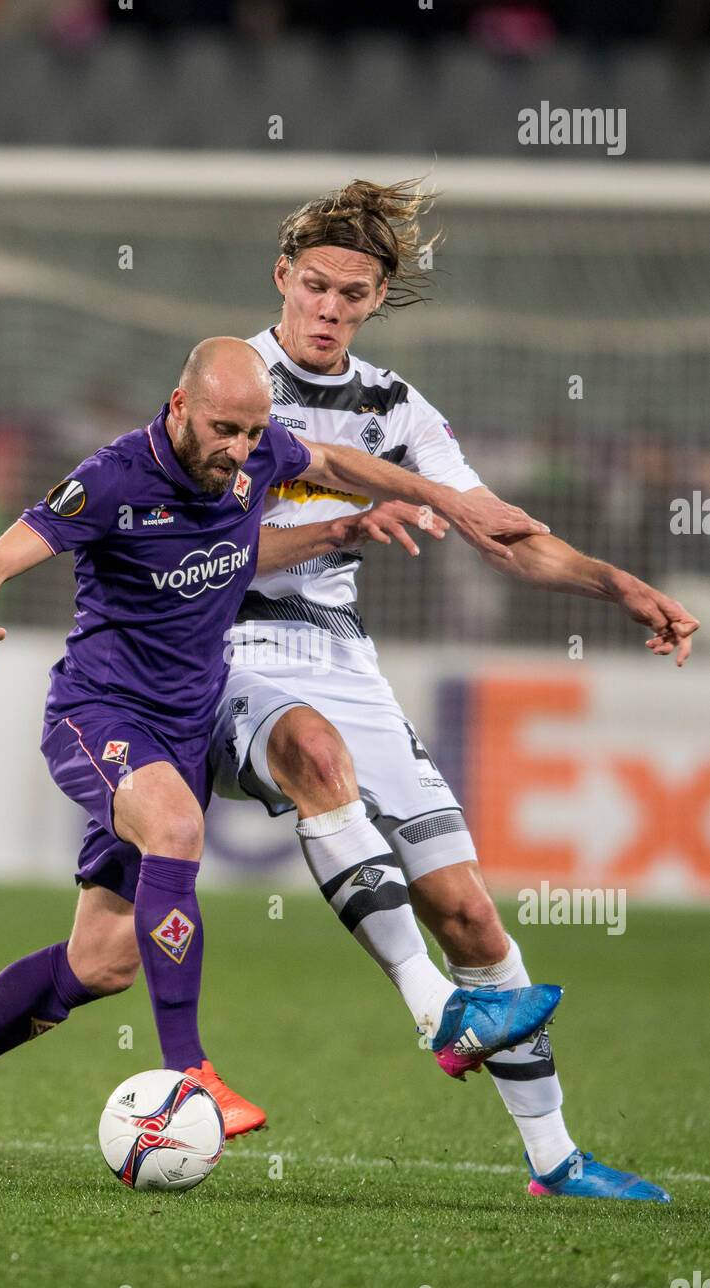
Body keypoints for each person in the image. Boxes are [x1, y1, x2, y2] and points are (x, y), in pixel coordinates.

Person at [0, 335, 561, 1174]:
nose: (241, 449)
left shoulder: (253, 454)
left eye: (254, 433)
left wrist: (377, 515)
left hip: (183, 728)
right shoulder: (112, 477)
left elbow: (266, 522)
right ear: (180, 407)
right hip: (100, 712)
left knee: (103, 961)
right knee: (179, 830)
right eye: (225, 429)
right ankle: (191, 1071)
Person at [207, 180, 699, 1201]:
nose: (328, 306)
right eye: (312, 285)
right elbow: (203, 550)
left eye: (351, 291)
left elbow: (492, 524)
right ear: (280, 279)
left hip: (338, 653)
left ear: (376, 300)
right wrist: (345, 521)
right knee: (314, 759)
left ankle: (555, 1159)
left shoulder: (395, 408)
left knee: (470, 913)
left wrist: (616, 585)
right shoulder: (228, 380)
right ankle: (434, 1011)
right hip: (217, 640)